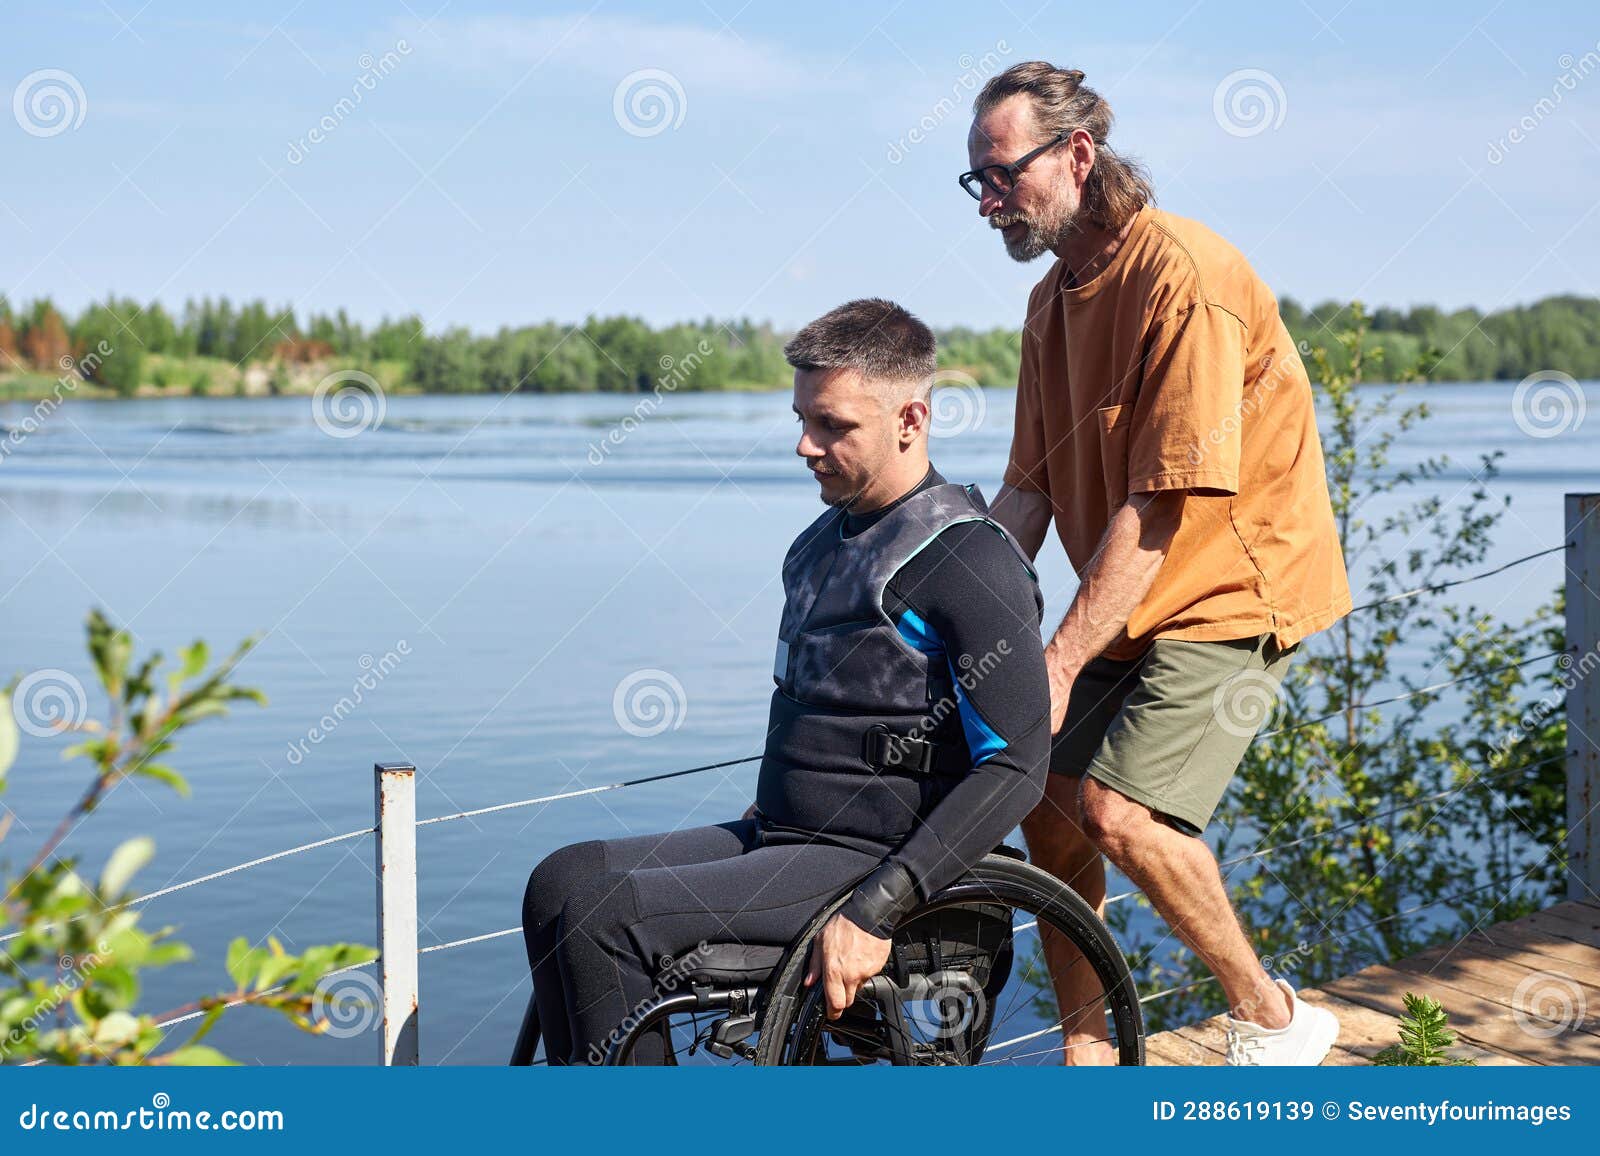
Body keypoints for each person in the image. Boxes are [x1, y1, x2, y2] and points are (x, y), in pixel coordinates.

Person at [521, 298, 1052, 1064]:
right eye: (801, 418)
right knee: (560, 880)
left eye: (833, 425)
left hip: (872, 863)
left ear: (911, 418)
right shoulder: (818, 546)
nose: (806, 444)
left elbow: (1018, 767)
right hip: (782, 834)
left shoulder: (968, 560)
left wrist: (879, 909)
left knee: (607, 915)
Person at [962, 62, 1352, 1066]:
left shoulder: (1184, 275)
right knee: (1045, 809)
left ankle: (1273, 1019)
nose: (989, 203)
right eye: (977, 183)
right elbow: (1027, 494)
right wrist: (952, 608)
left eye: (1001, 174)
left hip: (1230, 582)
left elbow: (1160, 505)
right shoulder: (1050, 306)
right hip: (1131, 592)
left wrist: (1053, 665)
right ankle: (1089, 1059)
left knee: (1118, 811)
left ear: (1078, 156)